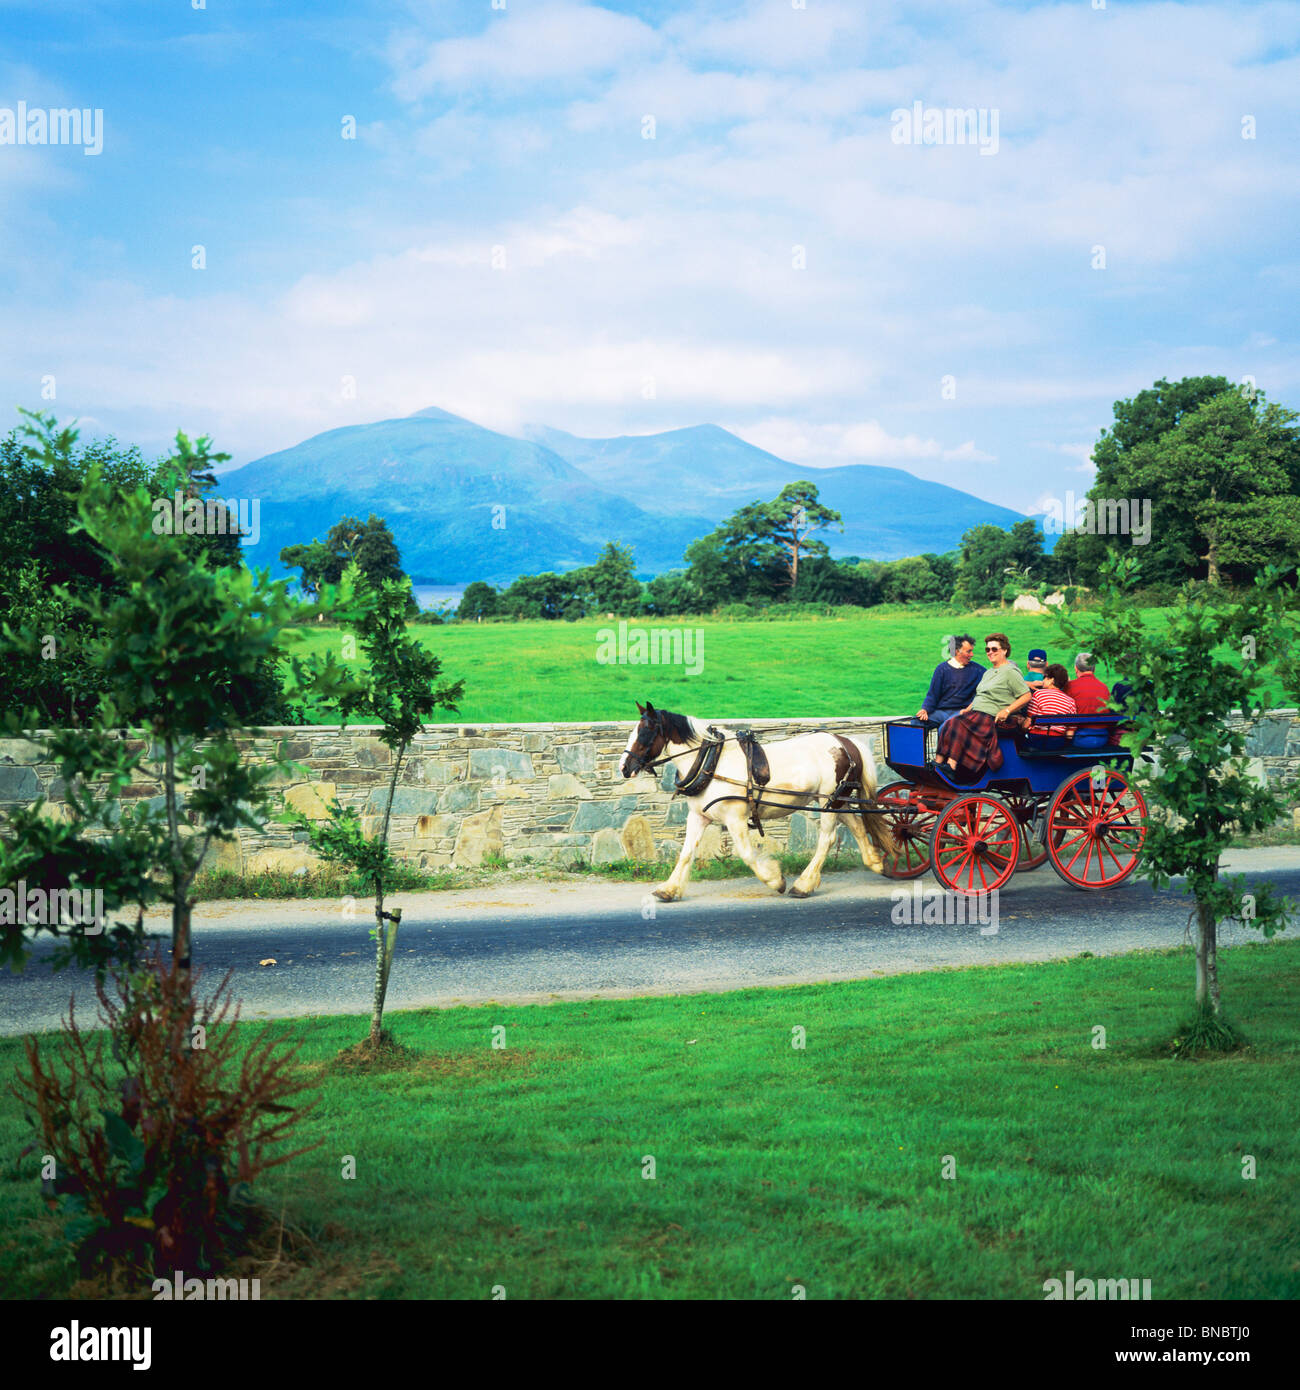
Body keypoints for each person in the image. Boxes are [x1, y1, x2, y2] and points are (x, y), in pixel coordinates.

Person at [936, 633, 1032, 780]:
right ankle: (938, 764)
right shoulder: (988, 672)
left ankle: (951, 766)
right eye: (987, 649)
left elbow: (1026, 696)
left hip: (993, 716)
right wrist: (967, 709)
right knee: (950, 722)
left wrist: (1007, 710)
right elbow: (982, 695)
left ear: (1004, 650)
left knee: (958, 724)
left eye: (994, 649)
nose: (990, 652)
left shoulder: (1010, 671)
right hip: (977, 712)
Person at [916, 634, 984, 728]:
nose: (972, 654)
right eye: (969, 651)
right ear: (957, 651)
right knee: (916, 723)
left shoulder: (979, 670)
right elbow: (933, 694)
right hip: (941, 712)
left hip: (962, 712)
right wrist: (925, 709)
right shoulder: (941, 669)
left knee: (945, 727)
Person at [1025, 663, 1077, 737]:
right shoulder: (1070, 701)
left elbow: (1029, 720)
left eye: (1045, 677)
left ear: (1051, 680)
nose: (1043, 680)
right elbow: (1071, 728)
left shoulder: (1038, 694)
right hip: (1057, 741)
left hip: (1037, 738)